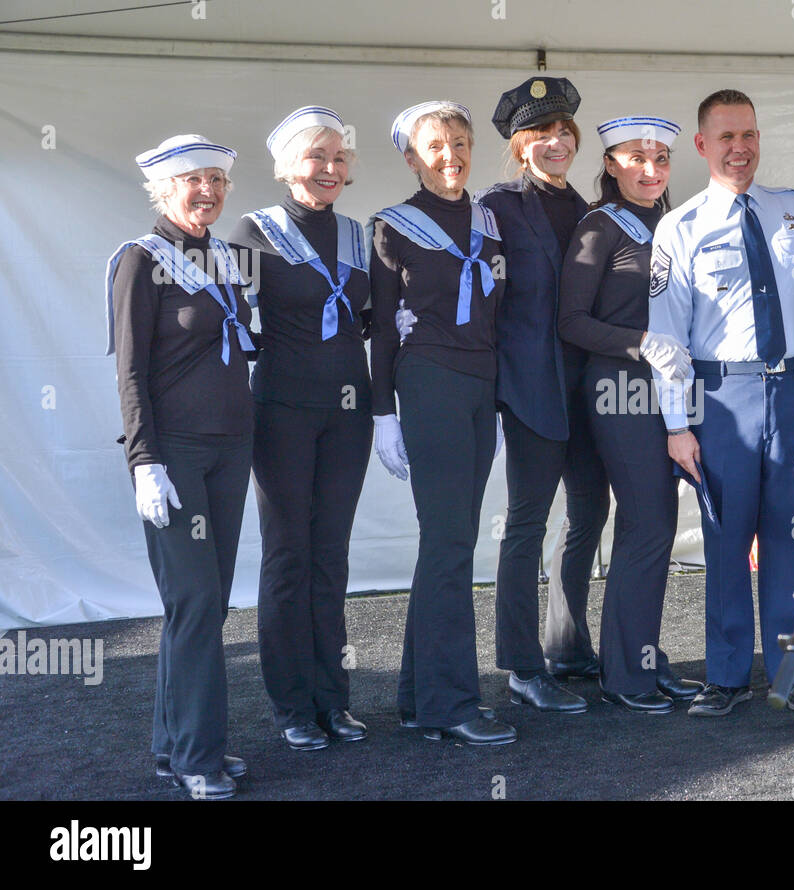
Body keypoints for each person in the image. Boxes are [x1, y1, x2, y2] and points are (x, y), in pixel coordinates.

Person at [648, 89, 794, 717]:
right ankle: (725, 677)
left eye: (748, 134)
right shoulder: (680, 227)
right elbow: (666, 339)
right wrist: (676, 425)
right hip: (721, 398)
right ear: (701, 145)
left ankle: (790, 674)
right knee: (725, 539)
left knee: (789, 537)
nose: (739, 148)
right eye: (725, 137)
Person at [107, 134, 255, 798]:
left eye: (217, 181)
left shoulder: (225, 256)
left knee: (206, 606)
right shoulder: (140, 260)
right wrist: (144, 461)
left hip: (230, 449)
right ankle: (200, 756)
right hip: (176, 455)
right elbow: (131, 372)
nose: (208, 192)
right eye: (193, 181)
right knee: (195, 601)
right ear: (163, 191)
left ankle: (174, 745)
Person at [369, 100, 516, 745]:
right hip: (429, 385)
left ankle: (416, 696)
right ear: (410, 157)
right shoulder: (393, 227)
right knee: (452, 543)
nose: (450, 154)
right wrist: (383, 414)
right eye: (434, 145)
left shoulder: (490, 218)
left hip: (482, 386)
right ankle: (451, 704)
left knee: (449, 544)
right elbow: (379, 329)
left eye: (460, 140)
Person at [227, 106, 371, 752]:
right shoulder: (253, 232)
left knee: (332, 556)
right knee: (289, 555)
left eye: (340, 158)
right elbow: (230, 325)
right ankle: (291, 705)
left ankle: (332, 700)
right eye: (317, 158)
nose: (330, 169)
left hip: (348, 411)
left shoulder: (358, 236)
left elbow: (374, 323)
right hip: (282, 410)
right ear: (287, 167)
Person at [555, 114, 704, 713]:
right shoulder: (598, 227)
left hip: (667, 391)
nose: (651, 169)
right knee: (648, 525)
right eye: (636, 158)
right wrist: (638, 343)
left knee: (654, 527)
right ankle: (627, 675)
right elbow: (569, 320)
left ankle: (640, 657)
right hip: (622, 388)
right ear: (612, 164)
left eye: (661, 159)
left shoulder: (672, 223)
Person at [477, 77, 607, 715]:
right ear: (520, 143)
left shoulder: (587, 208)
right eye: (543, 134)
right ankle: (524, 667)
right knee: (525, 525)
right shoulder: (497, 207)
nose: (557, 143)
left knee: (589, 514)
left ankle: (567, 643)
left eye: (565, 133)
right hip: (530, 388)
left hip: (588, 387)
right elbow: (481, 302)